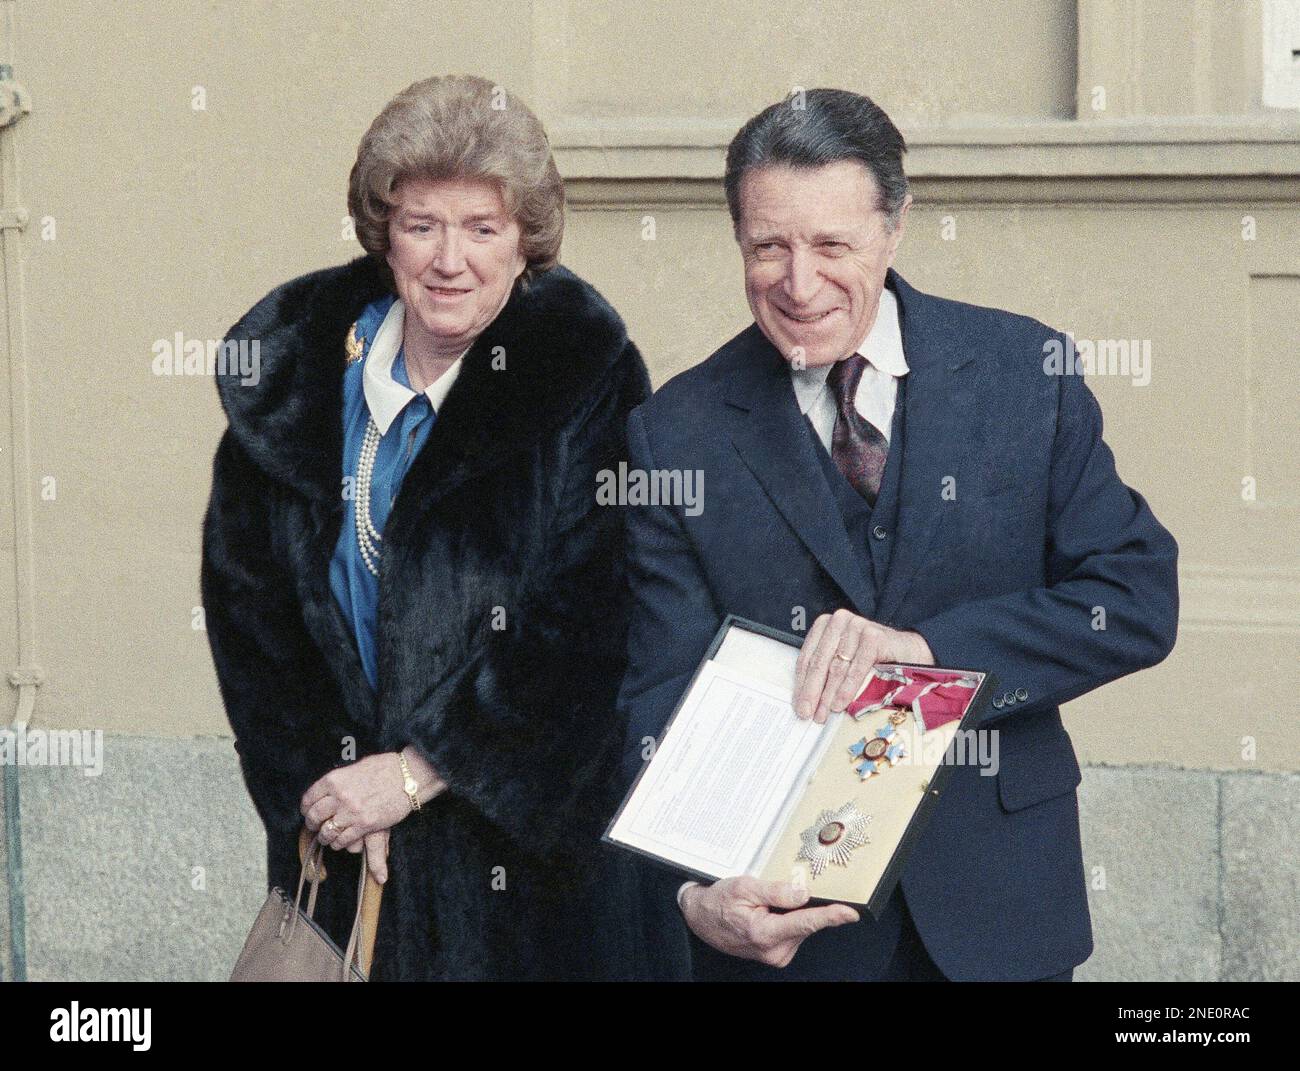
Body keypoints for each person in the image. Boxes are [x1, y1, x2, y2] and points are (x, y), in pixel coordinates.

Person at [618, 88, 1179, 981]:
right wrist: (692, 893)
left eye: (832, 244)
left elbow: (1135, 599)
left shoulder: (1025, 374)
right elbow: (658, 691)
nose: (799, 285)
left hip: (1005, 914)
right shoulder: (672, 433)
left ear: (897, 226)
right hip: (790, 939)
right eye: (769, 247)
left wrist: (924, 652)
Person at [202, 74, 652, 980]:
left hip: (523, 870)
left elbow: (588, 624)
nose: (452, 259)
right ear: (384, 234)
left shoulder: (581, 377)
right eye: (423, 226)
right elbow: (248, 620)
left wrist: (416, 774)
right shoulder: (293, 382)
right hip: (343, 857)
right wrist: (325, 800)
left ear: (525, 241)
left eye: (483, 229)